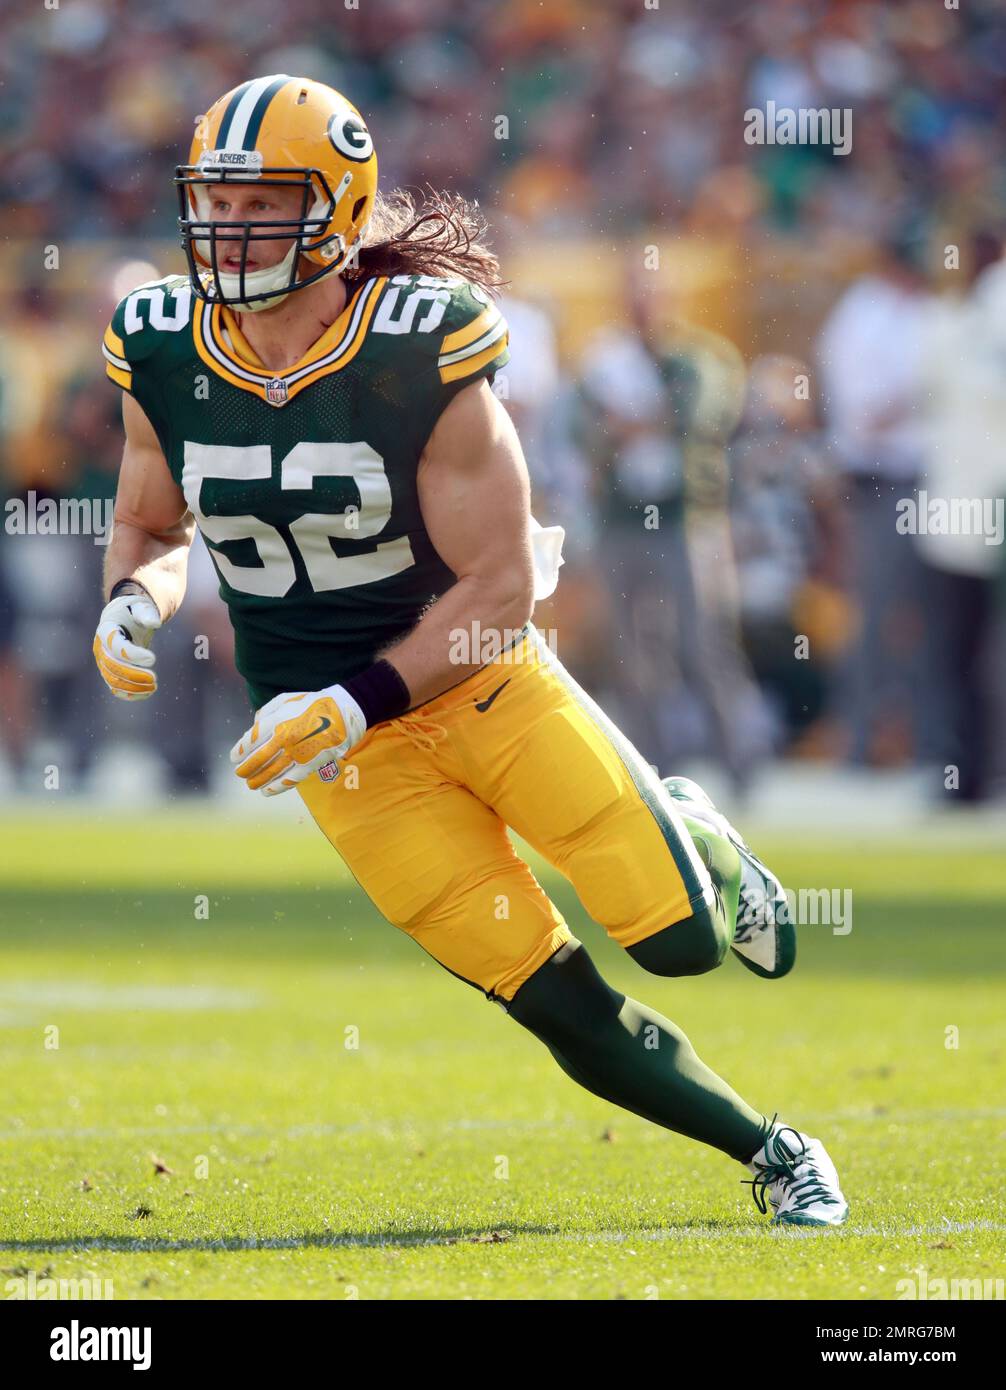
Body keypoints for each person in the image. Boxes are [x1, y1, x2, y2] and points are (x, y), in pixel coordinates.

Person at [92, 75, 847, 1226]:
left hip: (479, 683)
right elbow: (152, 516)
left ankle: (696, 830)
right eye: (215, 200)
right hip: (340, 752)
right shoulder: (160, 341)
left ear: (338, 211)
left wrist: (351, 697)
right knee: (546, 994)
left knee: (686, 943)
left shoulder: (415, 345)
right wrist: (128, 600)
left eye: (264, 201)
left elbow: (500, 587)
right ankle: (774, 1152)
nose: (230, 228)